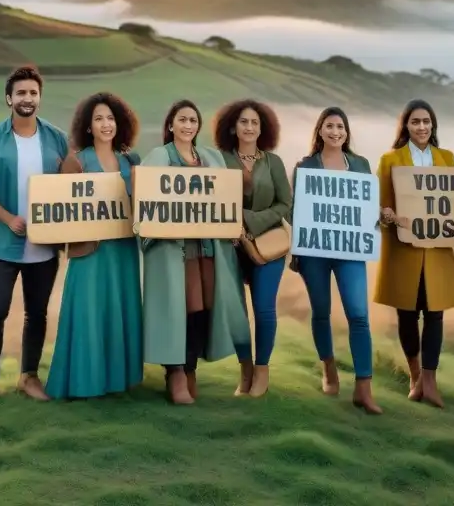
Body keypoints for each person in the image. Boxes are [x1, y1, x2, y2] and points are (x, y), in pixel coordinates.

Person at [0, 64, 69, 414]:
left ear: (40, 98)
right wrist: (8, 219)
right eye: (21, 93)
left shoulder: (56, 139)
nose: (27, 98)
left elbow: (70, 186)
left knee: (37, 314)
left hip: (44, 248)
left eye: (33, 93)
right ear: (9, 98)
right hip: (1, 247)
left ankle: (29, 377)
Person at [137, 99, 252, 405]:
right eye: (182, 119)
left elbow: (226, 195)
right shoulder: (159, 156)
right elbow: (144, 197)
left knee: (203, 310)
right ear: (171, 125)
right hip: (175, 250)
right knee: (179, 309)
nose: (188, 125)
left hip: (207, 248)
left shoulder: (211, 158)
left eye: (193, 120)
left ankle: (190, 370)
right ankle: (174, 372)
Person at [45, 92, 144, 400]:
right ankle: (84, 382)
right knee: (88, 311)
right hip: (90, 251)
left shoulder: (132, 160)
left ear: (120, 123)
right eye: (99, 118)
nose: (106, 124)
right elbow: (62, 210)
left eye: (110, 118)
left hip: (123, 250)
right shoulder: (77, 161)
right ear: (88, 126)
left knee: (119, 310)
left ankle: (117, 381)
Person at [290, 106, 382, 415]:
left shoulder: (360, 164)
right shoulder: (305, 167)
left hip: (350, 251)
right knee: (321, 311)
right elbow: (294, 209)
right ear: (319, 130)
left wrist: (377, 218)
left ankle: (363, 387)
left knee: (358, 315)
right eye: (329, 126)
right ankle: (328, 368)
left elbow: (368, 204)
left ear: (346, 132)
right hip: (315, 252)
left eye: (340, 126)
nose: (335, 131)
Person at [373, 99, 454, 409]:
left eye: (426, 121)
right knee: (407, 314)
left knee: (435, 313)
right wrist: (387, 214)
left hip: (437, 250)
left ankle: (430, 382)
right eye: (415, 122)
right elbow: (379, 206)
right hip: (403, 250)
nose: (421, 127)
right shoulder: (390, 159)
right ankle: (415, 376)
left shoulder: (446, 158)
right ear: (406, 126)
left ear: (433, 125)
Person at [215, 99, 292, 398]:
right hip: (230, 246)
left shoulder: (273, 162)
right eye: (243, 122)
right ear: (232, 127)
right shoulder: (219, 160)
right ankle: (245, 369)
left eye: (254, 123)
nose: (249, 127)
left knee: (264, 308)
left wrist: (249, 219)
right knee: (236, 311)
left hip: (269, 244)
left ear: (263, 128)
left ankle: (262, 370)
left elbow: (285, 204)